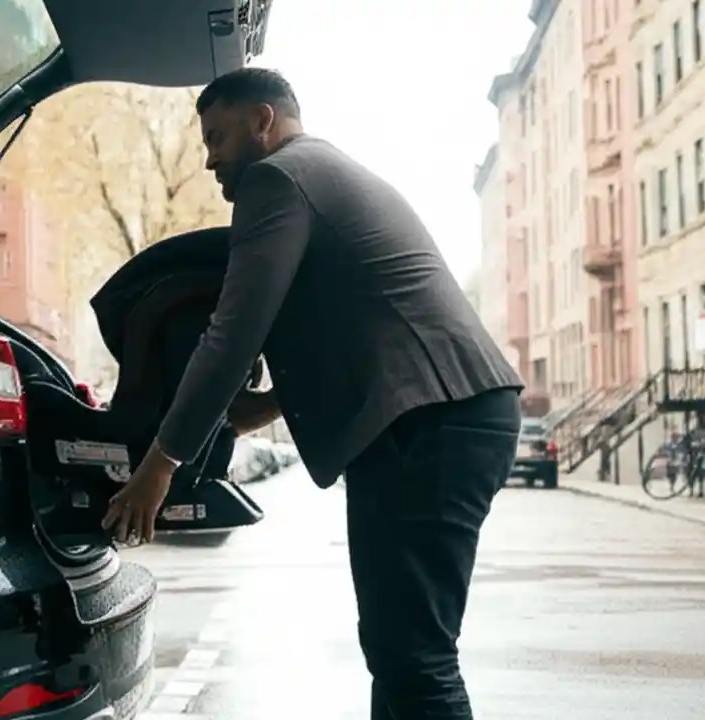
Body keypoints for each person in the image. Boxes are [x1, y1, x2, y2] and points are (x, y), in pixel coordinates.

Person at [101, 68, 525, 719]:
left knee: (415, 656)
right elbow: (363, 323)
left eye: (217, 136)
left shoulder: (278, 178)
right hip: (445, 416)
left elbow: (234, 332)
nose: (211, 158)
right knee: (401, 649)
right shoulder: (319, 172)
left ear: (263, 120)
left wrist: (161, 463)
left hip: (432, 423)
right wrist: (256, 412)